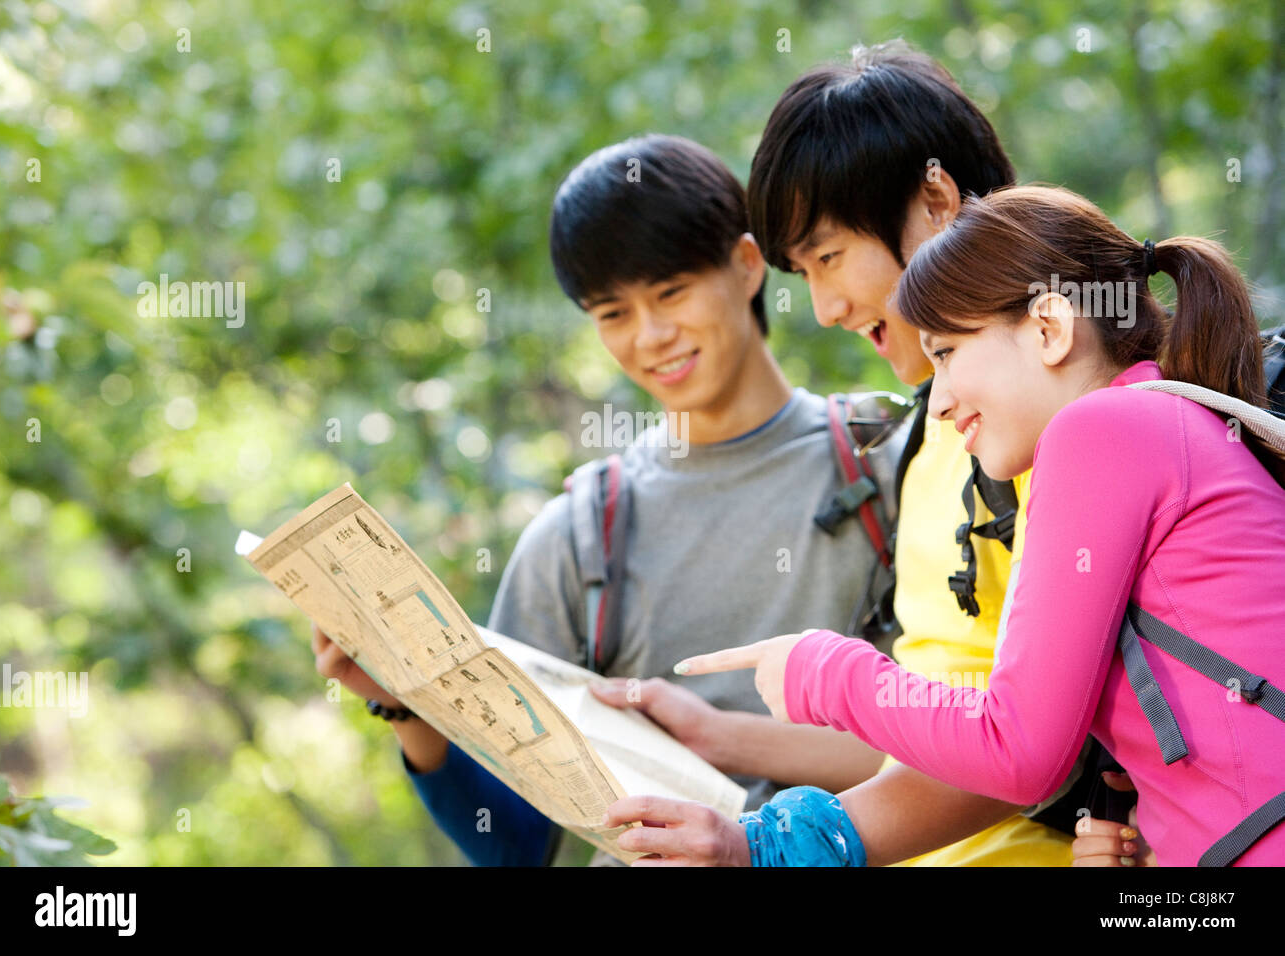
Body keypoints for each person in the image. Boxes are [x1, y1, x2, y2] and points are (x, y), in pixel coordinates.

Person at [311, 133, 893, 866]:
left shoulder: (892, 460)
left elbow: (988, 747)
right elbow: (517, 846)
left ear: (747, 265)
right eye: (613, 313)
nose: (651, 336)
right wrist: (404, 704)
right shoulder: (581, 537)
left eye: (671, 293)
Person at [681, 185, 1285, 866]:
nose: (937, 403)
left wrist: (825, 672)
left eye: (945, 352)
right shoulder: (1157, 425)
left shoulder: (1104, 430)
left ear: (1050, 329)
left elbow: (1018, 749)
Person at [605, 41, 1082, 866]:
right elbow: (926, 739)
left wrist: (763, 847)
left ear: (935, 198)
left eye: (829, 257)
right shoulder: (932, 428)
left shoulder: (1051, 411)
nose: (824, 307)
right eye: (804, 272)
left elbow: (1022, 750)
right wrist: (721, 737)